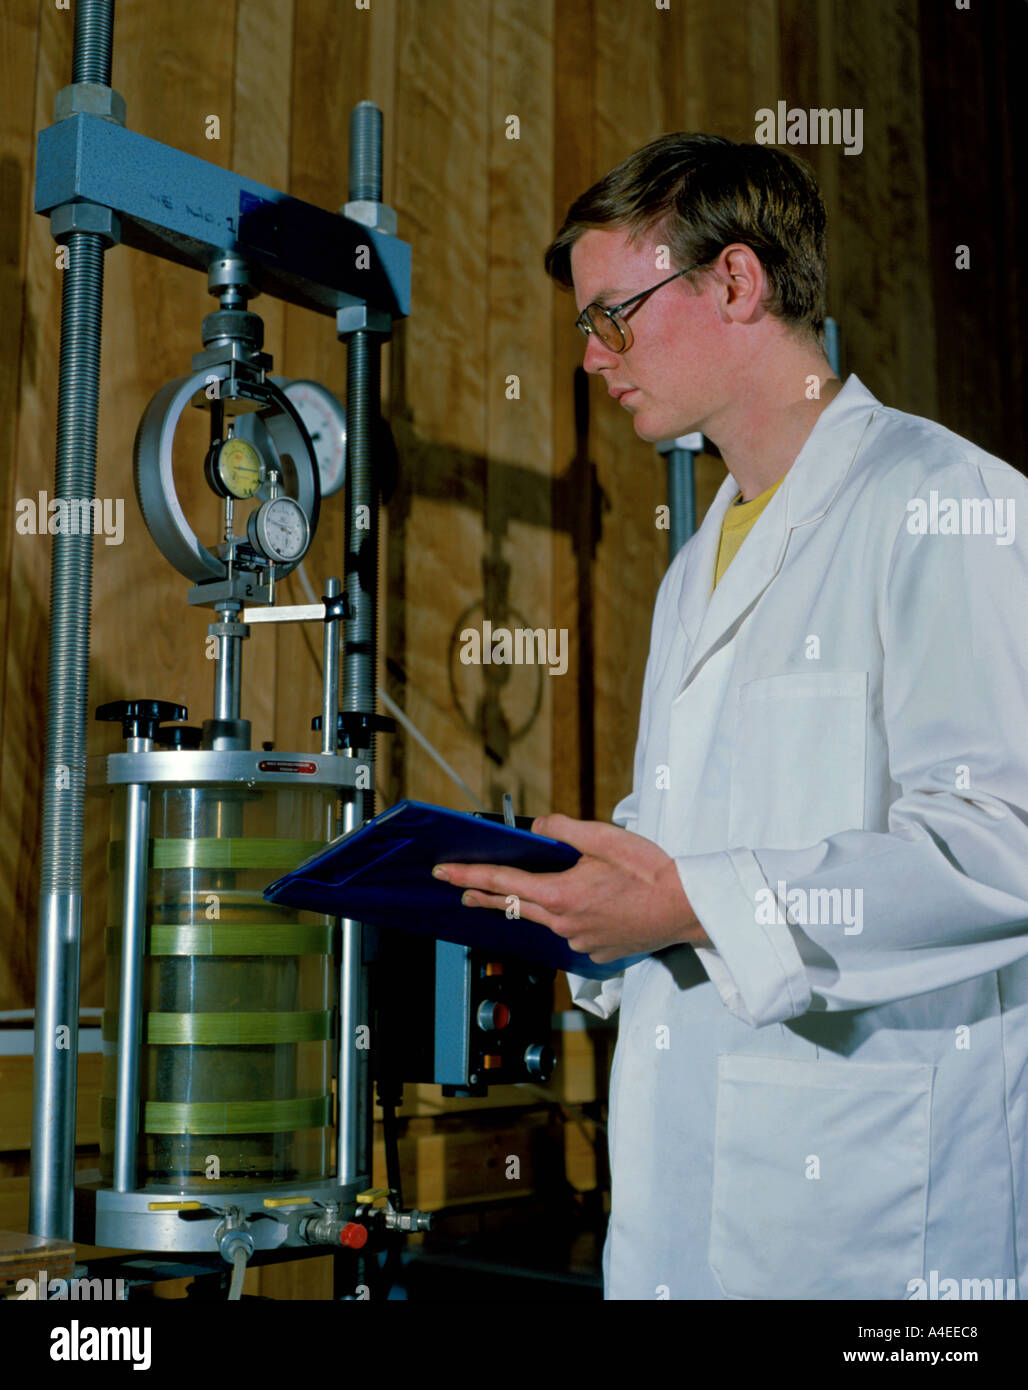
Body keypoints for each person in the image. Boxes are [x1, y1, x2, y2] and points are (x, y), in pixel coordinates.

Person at [433, 133, 1028, 1300]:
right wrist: (580, 898)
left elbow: (999, 847)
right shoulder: (697, 563)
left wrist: (683, 898)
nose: (596, 360)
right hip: (692, 1198)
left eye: (614, 316)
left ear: (736, 281)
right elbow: (698, 849)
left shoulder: (941, 501)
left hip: (876, 1225)